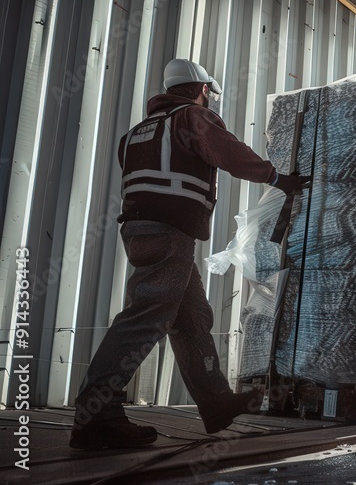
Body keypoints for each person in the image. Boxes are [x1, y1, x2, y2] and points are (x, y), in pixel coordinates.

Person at [70, 58, 310, 450]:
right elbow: (227, 151)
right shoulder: (191, 117)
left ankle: (215, 402)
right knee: (146, 316)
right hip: (170, 231)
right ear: (200, 89)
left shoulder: (134, 134)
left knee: (192, 316)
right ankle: (95, 413)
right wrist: (277, 178)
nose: (209, 98)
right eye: (208, 92)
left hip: (142, 230)